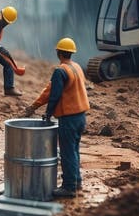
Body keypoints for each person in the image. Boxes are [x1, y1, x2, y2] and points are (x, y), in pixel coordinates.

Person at [25, 37, 90, 198]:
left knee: (67, 153)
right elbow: (50, 90)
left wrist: (47, 113)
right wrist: (35, 105)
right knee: (74, 150)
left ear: (59, 53)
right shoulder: (76, 67)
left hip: (69, 118)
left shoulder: (60, 71)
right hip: (81, 116)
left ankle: (69, 188)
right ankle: (77, 181)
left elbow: (54, 95)